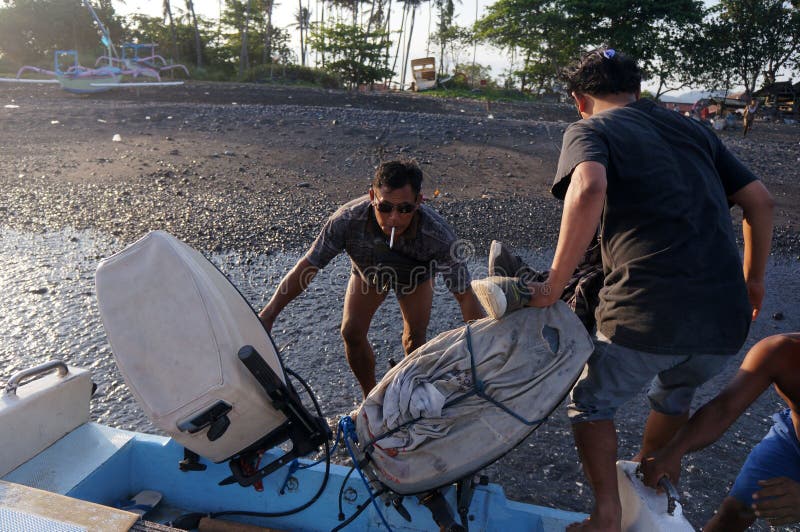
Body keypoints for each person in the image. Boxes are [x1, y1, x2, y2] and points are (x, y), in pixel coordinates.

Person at [471, 48, 774, 531]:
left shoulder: (590, 129)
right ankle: (648, 479)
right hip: (725, 322)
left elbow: (589, 187)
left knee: (590, 403)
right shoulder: (693, 128)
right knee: (675, 389)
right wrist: (753, 281)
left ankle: (607, 516)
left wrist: (551, 286)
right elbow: (759, 201)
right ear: (637, 88)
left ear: (579, 99)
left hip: (647, 311)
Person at [258, 160, 484, 397]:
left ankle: (410, 395)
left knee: (414, 340)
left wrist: (483, 347)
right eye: (385, 207)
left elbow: (464, 295)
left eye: (405, 209)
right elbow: (308, 266)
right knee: (351, 332)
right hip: (368, 273)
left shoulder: (437, 235)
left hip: (415, 277)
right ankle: (371, 397)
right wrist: (269, 315)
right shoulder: (347, 220)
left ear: (419, 201)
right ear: (371, 197)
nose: (394, 219)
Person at [641, 333, 800, 531]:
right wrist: (674, 450)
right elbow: (723, 409)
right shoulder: (782, 351)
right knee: (734, 513)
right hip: (793, 440)